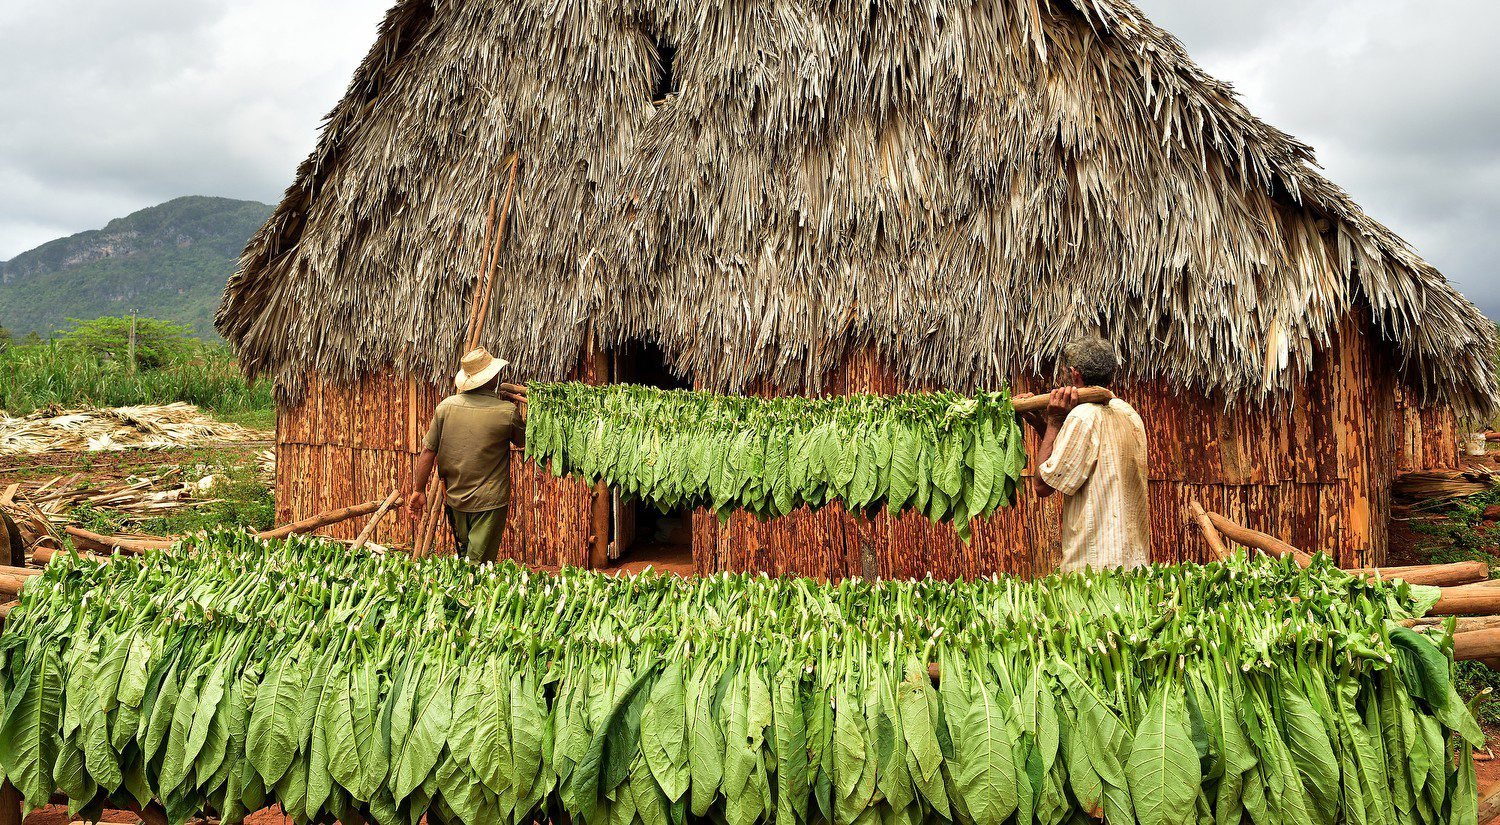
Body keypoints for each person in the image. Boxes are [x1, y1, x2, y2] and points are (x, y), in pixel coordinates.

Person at [1015, 337, 1149, 573]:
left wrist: (1055, 422)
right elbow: (1072, 457)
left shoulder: (1083, 417)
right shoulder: (1127, 412)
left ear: (1074, 374)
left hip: (1095, 566)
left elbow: (1043, 485)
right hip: (1133, 563)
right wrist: (1039, 423)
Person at [409, 347, 527, 563]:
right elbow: (524, 442)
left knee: (465, 556)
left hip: (454, 498)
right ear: (491, 378)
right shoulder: (506, 412)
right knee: (477, 565)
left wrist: (418, 490)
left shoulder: (445, 407)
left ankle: (462, 590)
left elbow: (428, 451)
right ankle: (469, 596)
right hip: (489, 501)